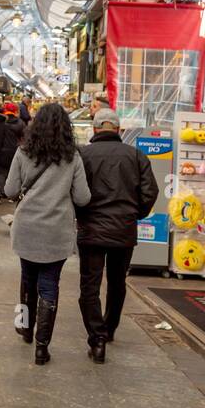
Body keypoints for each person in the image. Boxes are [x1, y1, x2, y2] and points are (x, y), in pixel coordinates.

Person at [3, 103, 91, 365]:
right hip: (57, 231)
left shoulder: (22, 153)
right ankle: (42, 347)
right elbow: (83, 197)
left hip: (27, 228)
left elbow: (9, 190)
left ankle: (26, 328)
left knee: (26, 278)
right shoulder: (73, 157)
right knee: (49, 285)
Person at [76, 109, 159, 363]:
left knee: (90, 285)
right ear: (119, 130)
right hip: (124, 229)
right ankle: (109, 328)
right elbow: (150, 192)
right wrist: (134, 214)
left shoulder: (84, 155)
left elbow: (76, 191)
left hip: (91, 229)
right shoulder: (136, 156)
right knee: (116, 281)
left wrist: (82, 214)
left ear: (95, 128)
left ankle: (97, 338)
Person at [0, 102, 25, 202]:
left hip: (1, 149)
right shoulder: (20, 122)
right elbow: (23, 137)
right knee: (11, 172)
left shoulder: (1, 121)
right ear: (14, 111)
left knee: (0, 171)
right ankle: (10, 195)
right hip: (14, 150)